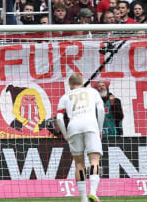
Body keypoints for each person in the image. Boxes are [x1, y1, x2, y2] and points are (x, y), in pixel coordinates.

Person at [55, 73, 105, 202]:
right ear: (82, 82)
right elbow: (101, 109)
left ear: (70, 85)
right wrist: (99, 128)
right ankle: (93, 192)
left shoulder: (65, 96)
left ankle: (83, 198)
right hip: (90, 125)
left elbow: (59, 118)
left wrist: (66, 135)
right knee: (94, 160)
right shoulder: (92, 92)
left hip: (74, 127)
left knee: (79, 164)